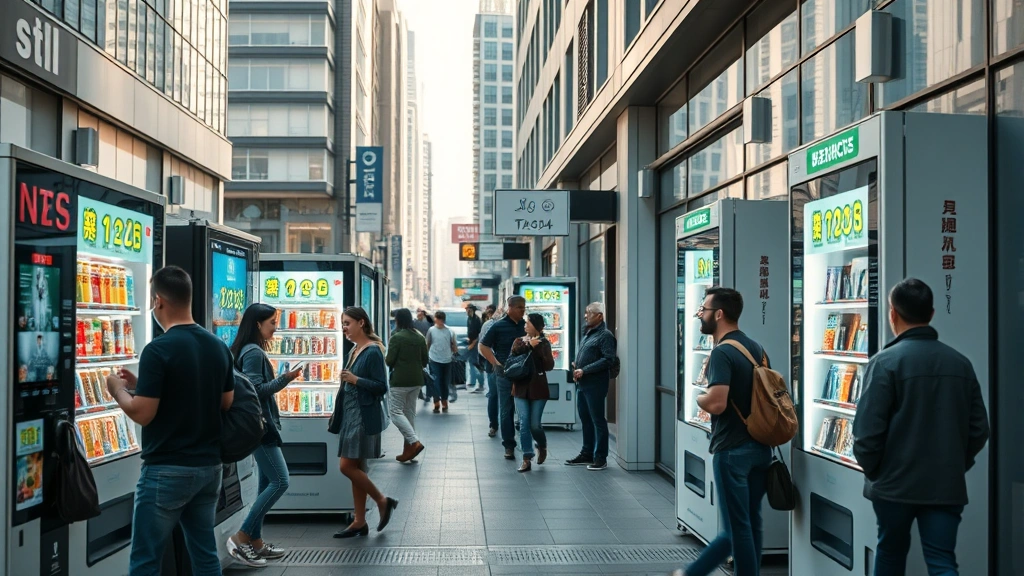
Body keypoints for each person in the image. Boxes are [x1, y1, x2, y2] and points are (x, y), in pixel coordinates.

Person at [853, 279, 989, 576]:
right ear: (931, 313)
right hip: (944, 484)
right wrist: (955, 464)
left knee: (889, 553)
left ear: (893, 315)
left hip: (893, 486)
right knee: (942, 561)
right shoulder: (960, 363)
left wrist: (876, 472)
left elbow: (866, 434)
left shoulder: (884, 363)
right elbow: (979, 428)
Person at [104, 266, 234, 575]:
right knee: (204, 555)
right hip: (208, 468)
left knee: (146, 560)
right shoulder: (217, 346)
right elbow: (225, 401)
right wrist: (145, 384)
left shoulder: (158, 349)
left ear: (158, 301)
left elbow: (142, 413)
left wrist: (118, 390)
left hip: (166, 471)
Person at [678, 287, 771, 576]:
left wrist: (698, 397)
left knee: (734, 529)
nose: (699, 315)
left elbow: (716, 402)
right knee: (751, 523)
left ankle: (690, 573)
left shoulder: (722, 352)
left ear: (718, 314)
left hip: (731, 450)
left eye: (703, 310)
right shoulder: (755, 348)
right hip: (760, 447)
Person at [225, 304, 302, 567]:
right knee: (281, 481)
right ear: (257, 324)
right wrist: (286, 379)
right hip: (261, 427)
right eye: (271, 322)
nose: (275, 327)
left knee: (265, 483)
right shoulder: (254, 352)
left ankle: (256, 541)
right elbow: (255, 390)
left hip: (257, 425)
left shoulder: (246, 350)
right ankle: (241, 536)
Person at [333, 307, 399, 538]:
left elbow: (381, 386)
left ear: (361, 323)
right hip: (351, 415)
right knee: (356, 468)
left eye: (348, 323)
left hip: (361, 417)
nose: (344, 328)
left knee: (346, 466)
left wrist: (355, 379)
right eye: (342, 323)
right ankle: (359, 520)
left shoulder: (372, 352)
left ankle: (382, 500)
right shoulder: (355, 349)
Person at [566, 302, 617, 471]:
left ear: (600, 316)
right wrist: (577, 365)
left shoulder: (605, 335)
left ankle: (600, 457)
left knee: (597, 421)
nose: (585, 315)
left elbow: (608, 359)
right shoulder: (588, 333)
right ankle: (587, 453)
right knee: (585, 420)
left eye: (589, 313)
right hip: (583, 383)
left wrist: (584, 369)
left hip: (595, 384)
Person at [479, 296, 527, 460]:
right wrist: (495, 363)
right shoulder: (498, 326)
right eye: (520, 307)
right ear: (510, 307)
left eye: (524, 307)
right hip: (504, 374)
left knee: (525, 410)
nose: (523, 310)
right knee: (506, 409)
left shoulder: (526, 326)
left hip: (524, 374)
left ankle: (528, 445)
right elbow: (483, 345)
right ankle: (509, 445)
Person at [509, 313, 555, 472]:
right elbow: (514, 355)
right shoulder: (518, 341)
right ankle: (527, 458)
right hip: (520, 388)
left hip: (538, 388)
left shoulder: (545, 343)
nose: (524, 325)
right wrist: (529, 345)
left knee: (535, 425)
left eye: (527, 323)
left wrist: (539, 348)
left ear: (536, 325)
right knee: (523, 422)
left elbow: (549, 366)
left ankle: (542, 445)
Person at [386, 308, 429, 463]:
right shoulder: (419, 337)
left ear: (398, 320)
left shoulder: (397, 337)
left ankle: (414, 442)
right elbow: (425, 360)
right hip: (416, 380)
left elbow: (389, 361)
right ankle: (408, 451)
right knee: (409, 414)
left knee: (395, 412)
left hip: (400, 381)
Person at [425, 310, 459, 413]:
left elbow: (454, 347)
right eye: (438, 319)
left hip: (447, 360)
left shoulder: (450, 331)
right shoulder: (431, 330)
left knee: (445, 382)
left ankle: (444, 402)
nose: (439, 321)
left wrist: (454, 349)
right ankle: (436, 403)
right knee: (436, 381)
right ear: (435, 319)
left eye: (441, 319)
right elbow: (428, 344)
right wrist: (425, 357)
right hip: (434, 359)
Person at [478, 307, 501, 437]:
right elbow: (482, 346)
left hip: (506, 366)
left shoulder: (516, 325)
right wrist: (492, 361)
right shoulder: (488, 325)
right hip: (492, 365)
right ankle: (493, 424)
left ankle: (497, 425)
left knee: (499, 396)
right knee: (494, 395)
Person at [465, 304, 485, 393]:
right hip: (471, 343)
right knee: (471, 363)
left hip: (476, 344)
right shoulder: (469, 319)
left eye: (468, 309)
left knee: (476, 364)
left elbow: (479, 334)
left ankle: (481, 384)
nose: (467, 311)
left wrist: (473, 343)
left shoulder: (477, 320)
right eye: (466, 309)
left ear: (472, 310)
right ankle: (473, 382)